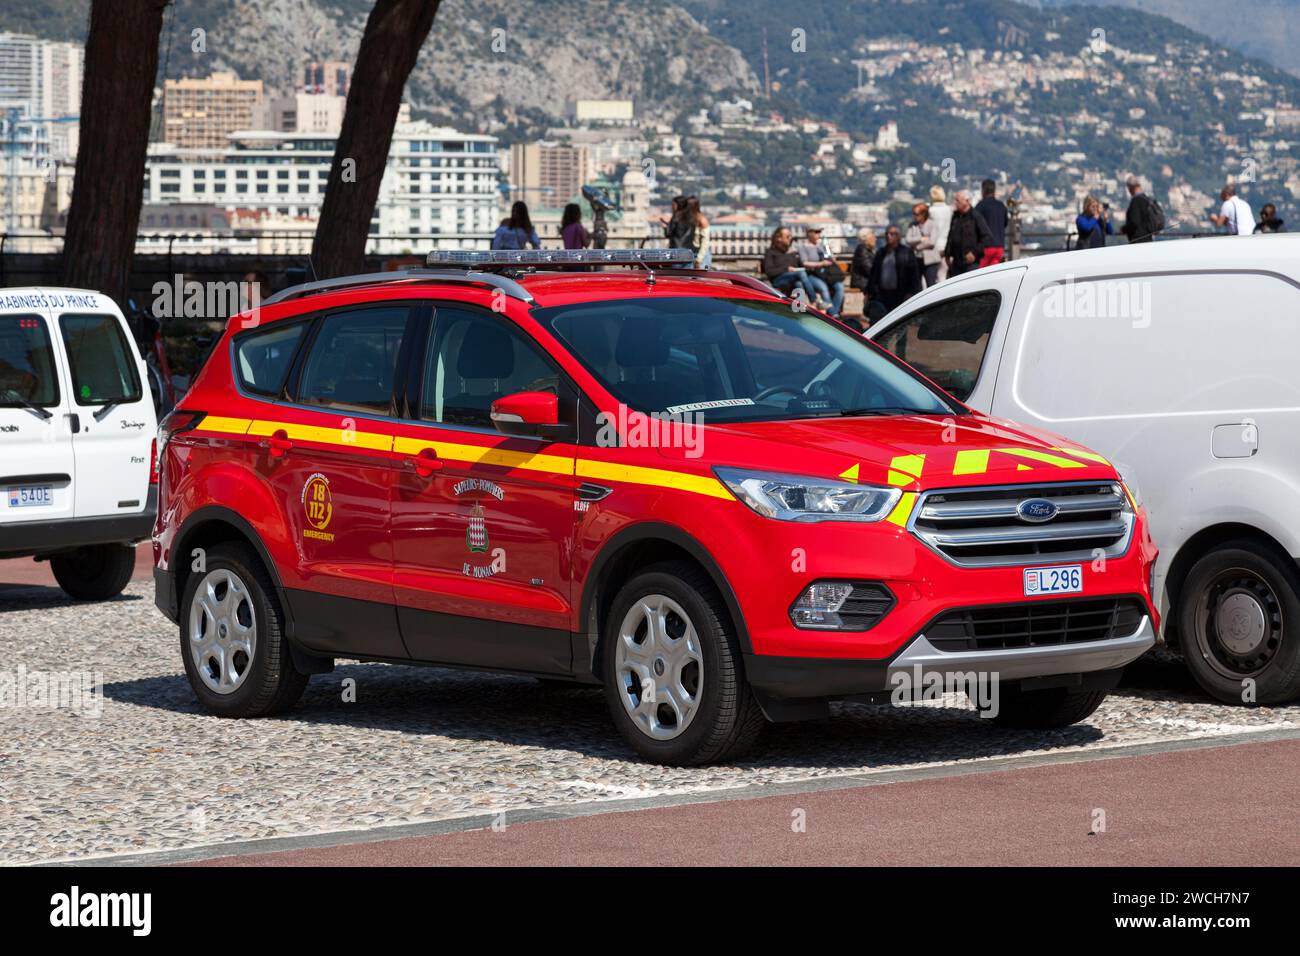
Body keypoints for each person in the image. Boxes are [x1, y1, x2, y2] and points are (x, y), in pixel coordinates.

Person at [867, 224, 922, 313]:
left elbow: (914, 274)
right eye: (887, 234)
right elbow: (874, 274)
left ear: (899, 236)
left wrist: (911, 292)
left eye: (892, 234)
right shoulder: (881, 253)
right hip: (882, 295)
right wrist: (870, 291)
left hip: (900, 294)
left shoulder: (906, 252)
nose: (889, 236)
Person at [796, 226, 845, 317]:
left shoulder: (822, 246)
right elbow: (804, 263)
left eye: (819, 232)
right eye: (816, 232)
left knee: (840, 287)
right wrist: (821, 263)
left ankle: (833, 312)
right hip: (812, 274)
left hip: (826, 274)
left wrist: (830, 253)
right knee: (823, 288)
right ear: (809, 233)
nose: (818, 234)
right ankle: (834, 314)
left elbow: (831, 260)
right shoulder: (803, 247)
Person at [943, 190, 993, 278]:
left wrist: (974, 253)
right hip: (956, 263)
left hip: (970, 263)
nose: (955, 203)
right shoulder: (955, 216)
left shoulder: (976, 216)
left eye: (958, 200)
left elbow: (987, 238)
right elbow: (951, 235)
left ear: (967, 201)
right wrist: (947, 254)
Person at [762, 226, 818, 302]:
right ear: (779, 238)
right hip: (778, 280)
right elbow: (769, 272)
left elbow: (799, 266)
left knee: (798, 283)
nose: (790, 238)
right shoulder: (770, 252)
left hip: (792, 279)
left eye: (791, 236)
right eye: (788, 236)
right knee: (800, 275)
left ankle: (798, 307)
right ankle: (814, 300)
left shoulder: (791, 252)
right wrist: (787, 269)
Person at [905, 203, 941, 287]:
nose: (914, 216)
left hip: (930, 260)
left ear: (923, 214)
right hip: (916, 259)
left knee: (931, 284)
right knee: (916, 285)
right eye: (913, 214)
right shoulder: (912, 225)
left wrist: (916, 247)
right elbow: (908, 239)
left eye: (916, 214)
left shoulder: (932, 224)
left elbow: (932, 242)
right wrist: (921, 239)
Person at [974, 179, 1008, 266]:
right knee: (994, 274)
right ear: (994, 190)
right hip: (999, 247)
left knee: (981, 274)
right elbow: (1005, 223)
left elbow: (974, 226)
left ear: (983, 190)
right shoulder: (1001, 206)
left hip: (985, 248)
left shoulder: (980, 206)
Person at [1121, 175, 1163, 243]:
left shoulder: (1136, 201)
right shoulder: (1147, 199)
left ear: (1130, 188)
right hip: (1149, 238)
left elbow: (1134, 222)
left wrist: (1124, 229)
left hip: (1138, 239)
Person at [928, 185, 953, 280]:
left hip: (933, 247)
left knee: (928, 278)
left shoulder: (930, 211)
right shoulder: (949, 210)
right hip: (946, 247)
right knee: (942, 276)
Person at [685, 195, 711, 268]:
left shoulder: (702, 220)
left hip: (701, 256)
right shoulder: (688, 220)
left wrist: (699, 260)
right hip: (690, 254)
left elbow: (705, 242)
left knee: (699, 278)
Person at [849, 227, 876, 292]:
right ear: (866, 239)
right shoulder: (862, 250)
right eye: (873, 237)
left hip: (866, 281)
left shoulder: (867, 249)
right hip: (862, 282)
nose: (875, 239)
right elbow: (869, 269)